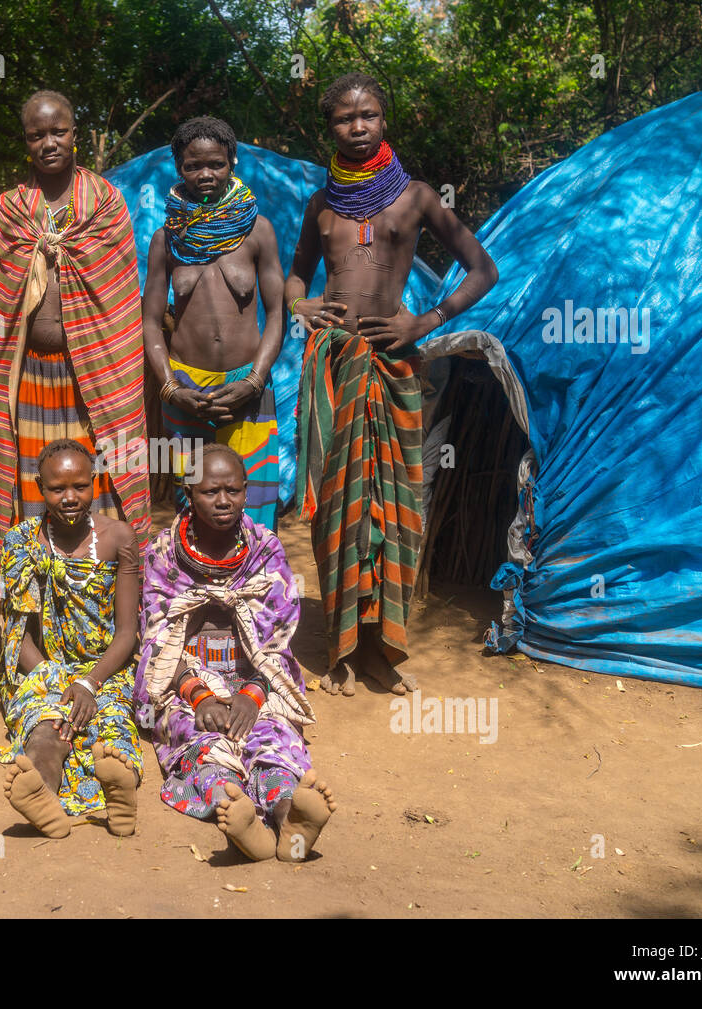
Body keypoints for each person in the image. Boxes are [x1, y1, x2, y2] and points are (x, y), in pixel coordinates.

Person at [286, 73, 498, 697]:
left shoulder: (416, 198)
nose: (357, 128)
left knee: (395, 511)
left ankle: (382, 649)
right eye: (344, 119)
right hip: (334, 370)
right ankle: (341, 647)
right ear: (330, 129)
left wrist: (425, 320)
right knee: (336, 511)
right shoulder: (320, 205)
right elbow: (296, 278)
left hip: (395, 369)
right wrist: (301, 306)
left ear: (384, 121)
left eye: (369, 116)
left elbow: (483, 269)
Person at [136, 444, 335, 862]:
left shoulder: (265, 550)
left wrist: (254, 693)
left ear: (247, 491)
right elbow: (156, 640)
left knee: (271, 738)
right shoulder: (163, 554)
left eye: (233, 490)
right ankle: (240, 817)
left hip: (255, 677)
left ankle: (287, 815)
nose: (223, 501)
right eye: (210, 491)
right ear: (188, 495)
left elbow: (279, 640)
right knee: (201, 740)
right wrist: (199, 694)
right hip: (185, 680)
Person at [0, 89, 151, 553]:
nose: (49, 142)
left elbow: (118, 300)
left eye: (58, 131)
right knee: (37, 483)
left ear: (75, 134)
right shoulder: (10, 210)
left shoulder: (103, 202)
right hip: (30, 375)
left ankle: (104, 594)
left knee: (95, 480)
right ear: (26, 142)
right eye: (37, 135)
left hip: (94, 378)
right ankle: (35, 595)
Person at [0, 439, 142, 838]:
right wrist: (56, 682)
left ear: (95, 483)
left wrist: (89, 683)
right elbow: (15, 630)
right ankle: (42, 792)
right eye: (57, 489)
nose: (70, 498)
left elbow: (127, 632)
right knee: (47, 727)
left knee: (111, 730)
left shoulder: (120, 537)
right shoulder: (21, 542)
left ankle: (119, 793)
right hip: (45, 669)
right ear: (40, 489)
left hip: (107, 669)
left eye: (80, 487)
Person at [141, 116, 284, 529]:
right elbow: (151, 322)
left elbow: (277, 314)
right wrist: (170, 387)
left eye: (216, 164)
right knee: (195, 503)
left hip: (249, 388)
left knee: (254, 502)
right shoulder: (166, 240)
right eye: (192, 166)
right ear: (178, 168)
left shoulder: (258, 232)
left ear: (232, 161)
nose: (205, 174)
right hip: (186, 391)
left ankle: (251, 592)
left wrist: (255, 380)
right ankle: (196, 592)